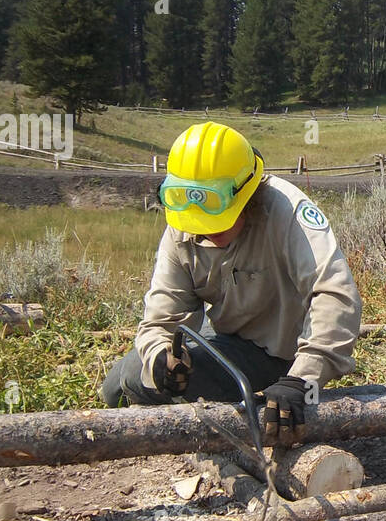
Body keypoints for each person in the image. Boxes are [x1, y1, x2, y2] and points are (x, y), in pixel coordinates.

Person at [101, 122, 362, 447]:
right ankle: (194, 412)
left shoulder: (287, 212)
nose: (206, 231)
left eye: (217, 220)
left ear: (248, 195)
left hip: (284, 352)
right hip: (226, 340)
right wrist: (161, 360)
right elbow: (161, 318)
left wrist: (302, 378)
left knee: (135, 384)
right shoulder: (183, 223)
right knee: (119, 385)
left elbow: (336, 294)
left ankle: (223, 417)